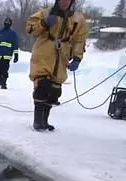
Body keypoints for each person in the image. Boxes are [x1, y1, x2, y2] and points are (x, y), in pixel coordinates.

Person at [26, 0, 88, 131]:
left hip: (62, 55)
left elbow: (79, 40)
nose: (65, 2)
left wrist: (77, 57)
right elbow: (30, 29)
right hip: (44, 51)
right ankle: (38, 121)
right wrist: (44, 23)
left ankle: (44, 120)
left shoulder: (78, 19)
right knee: (42, 86)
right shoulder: (45, 13)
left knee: (54, 91)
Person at [0, 17, 19, 89]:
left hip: (7, 55)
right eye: (6, 23)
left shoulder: (13, 34)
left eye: (8, 23)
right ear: (4, 23)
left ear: (10, 24)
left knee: (4, 69)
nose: (7, 24)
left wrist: (16, 55)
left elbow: (15, 44)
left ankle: (4, 83)